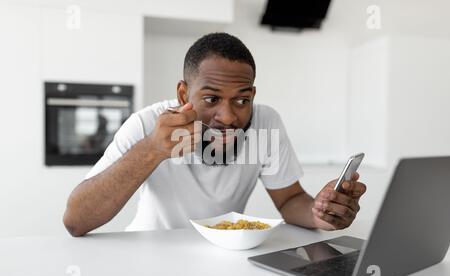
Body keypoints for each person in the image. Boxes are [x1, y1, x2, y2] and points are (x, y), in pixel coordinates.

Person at [63, 32, 366, 237]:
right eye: (211, 99)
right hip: (150, 251)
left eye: (241, 99)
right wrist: (153, 149)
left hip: (224, 257)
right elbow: (76, 221)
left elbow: (290, 201)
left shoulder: (266, 123)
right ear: (184, 94)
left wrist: (320, 213)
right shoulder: (147, 124)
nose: (229, 116)